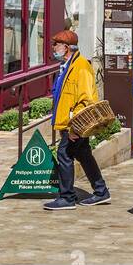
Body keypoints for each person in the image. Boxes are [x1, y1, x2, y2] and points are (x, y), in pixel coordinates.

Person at [44, 29, 111, 211]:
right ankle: (101, 190)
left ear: (66, 48)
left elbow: (86, 100)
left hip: (75, 125)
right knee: (83, 154)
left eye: (56, 45)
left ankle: (67, 197)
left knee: (64, 155)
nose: (53, 48)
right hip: (69, 123)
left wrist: (75, 128)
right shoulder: (67, 66)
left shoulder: (80, 67)